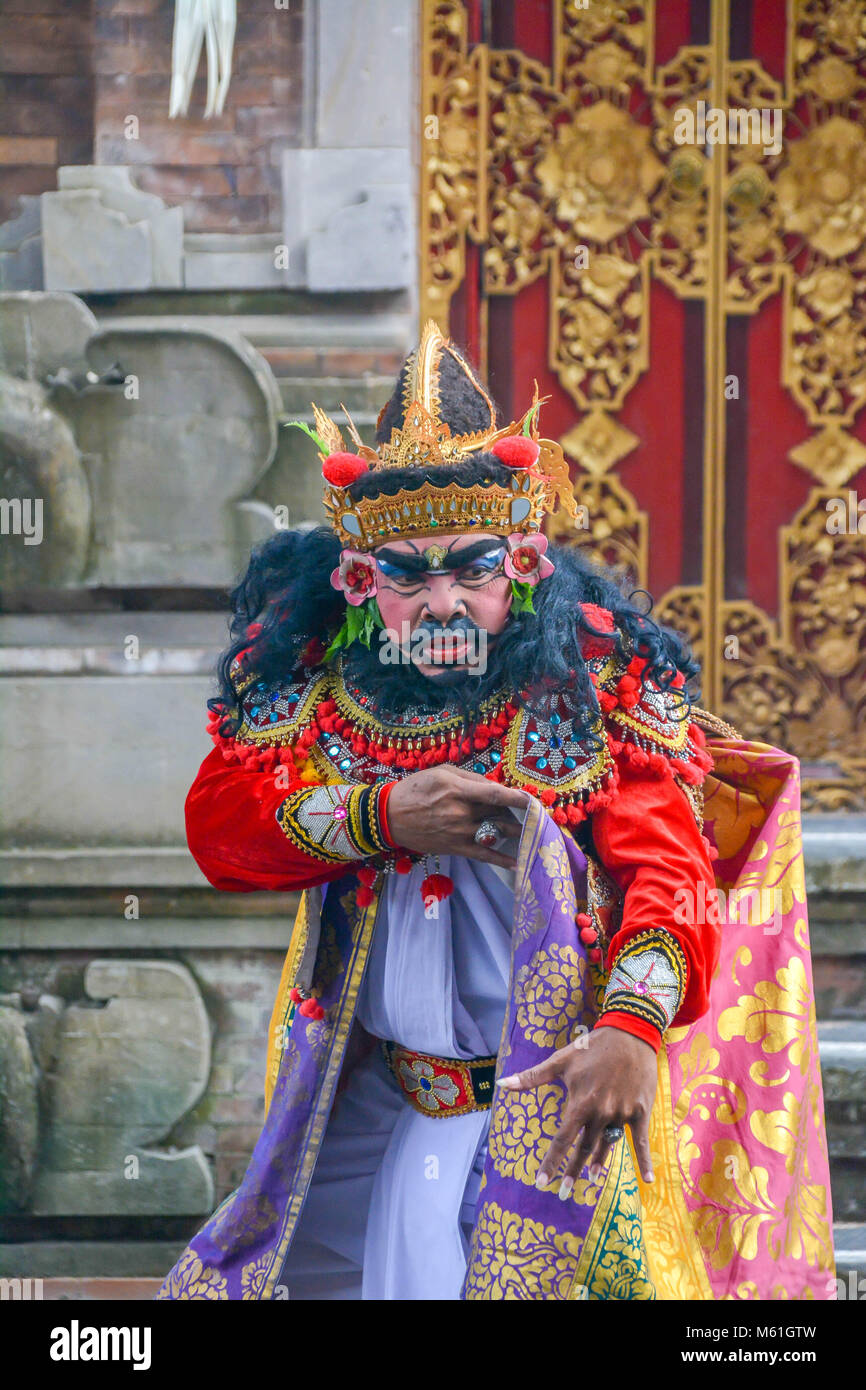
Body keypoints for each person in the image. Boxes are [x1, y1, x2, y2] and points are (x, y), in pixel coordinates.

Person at [159, 321, 834, 1301]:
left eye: (471, 568)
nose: (439, 600)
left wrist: (632, 1028)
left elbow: (670, 875)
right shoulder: (318, 688)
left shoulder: (592, 687)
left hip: (556, 1111)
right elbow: (221, 826)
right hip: (376, 1108)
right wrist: (384, 814)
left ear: (520, 566)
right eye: (404, 574)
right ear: (357, 581)